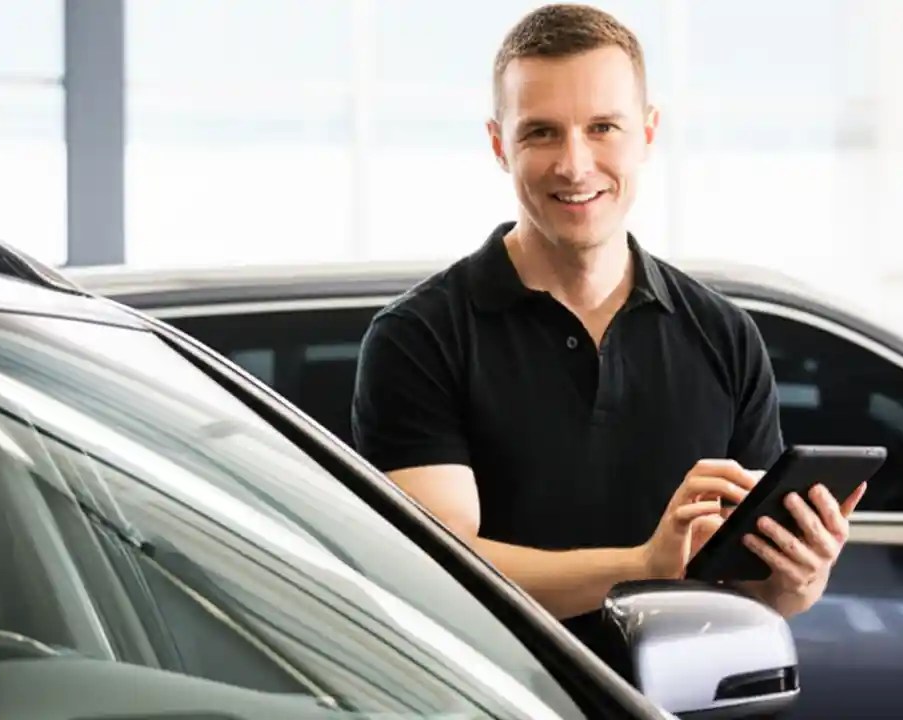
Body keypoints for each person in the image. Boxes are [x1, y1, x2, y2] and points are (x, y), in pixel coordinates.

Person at [351, 3, 865, 676]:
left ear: (647, 133)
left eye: (603, 128)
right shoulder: (419, 339)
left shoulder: (724, 335)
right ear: (498, 143)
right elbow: (443, 566)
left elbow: (757, 591)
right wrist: (644, 567)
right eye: (541, 132)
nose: (575, 163)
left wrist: (798, 579)